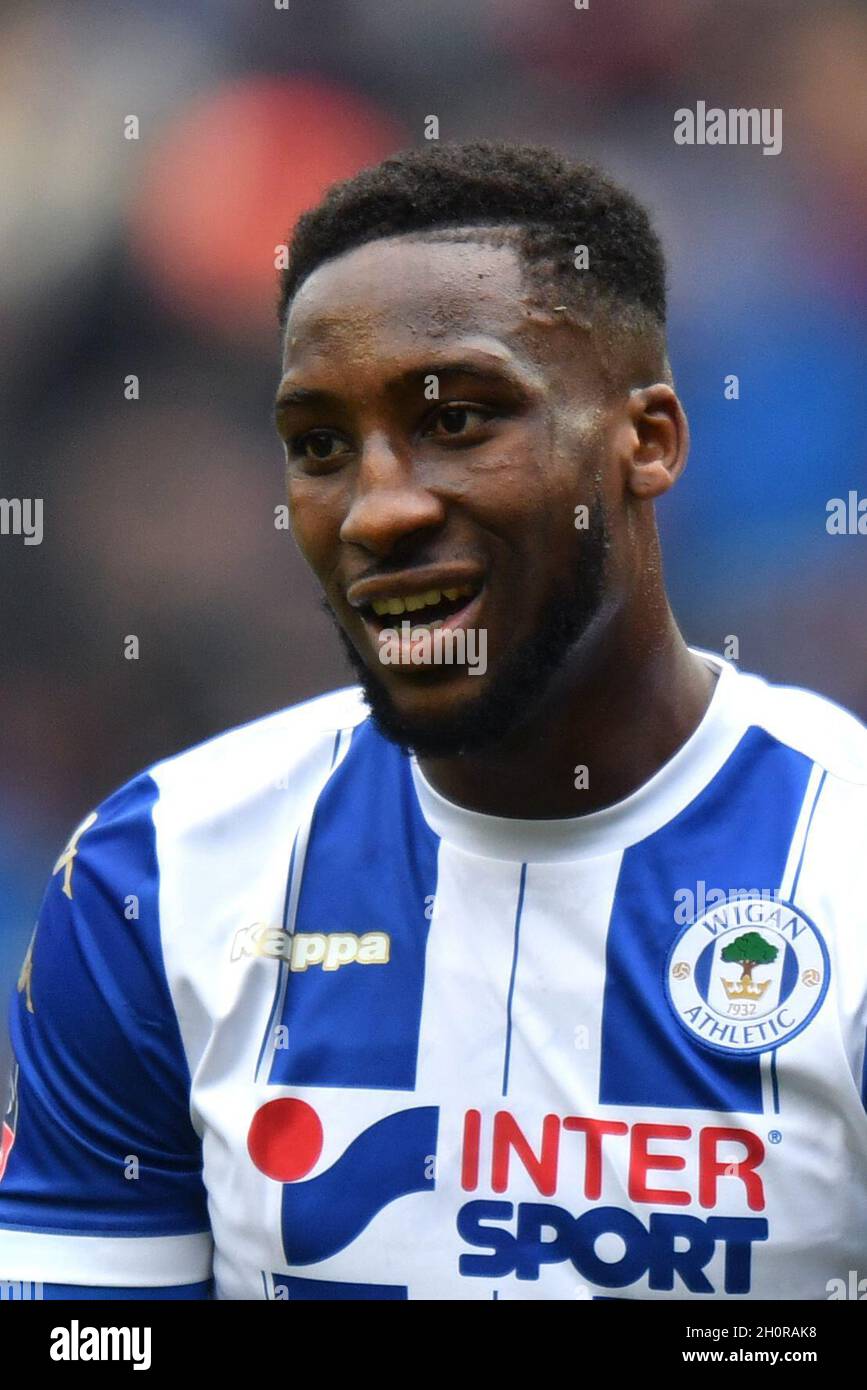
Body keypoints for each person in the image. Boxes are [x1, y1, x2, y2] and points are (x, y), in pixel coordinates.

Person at [1, 141, 866, 1301]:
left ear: (646, 440)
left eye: (458, 419)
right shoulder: (149, 876)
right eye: (318, 445)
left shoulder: (845, 859)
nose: (380, 508)